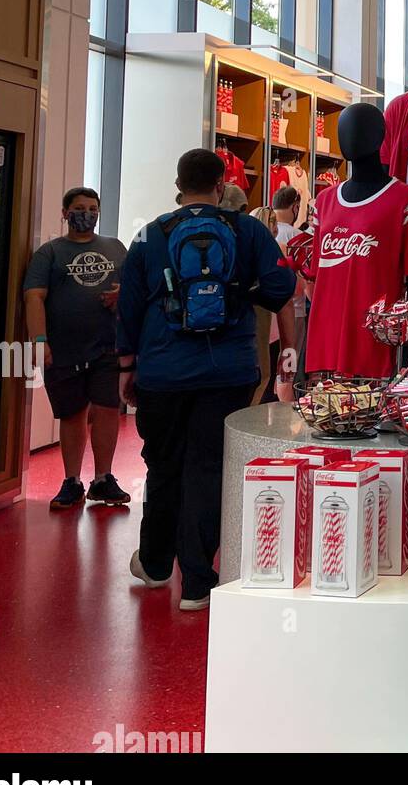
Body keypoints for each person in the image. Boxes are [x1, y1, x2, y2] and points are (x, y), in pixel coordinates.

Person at [116, 148, 298, 611]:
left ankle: (156, 565)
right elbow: (281, 289)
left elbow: (129, 307)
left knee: (163, 464)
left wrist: (126, 368)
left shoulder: (148, 235)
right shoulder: (248, 229)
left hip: (162, 370)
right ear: (221, 184)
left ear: (178, 185)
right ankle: (197, 582)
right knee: (208, 467)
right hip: (228, 370)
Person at [22, 187, 130, 510]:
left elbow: (135, 290)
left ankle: (103, 479)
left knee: (108, 410)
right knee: (72, 415)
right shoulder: (49, 253)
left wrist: (121, 295)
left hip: (107, 347)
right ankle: (72, 481)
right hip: (64, 350)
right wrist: (39, 341)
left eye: (93, 207)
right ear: (65, 213)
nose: (87, 213)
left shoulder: (115, 248)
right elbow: (34, 297)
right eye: (80, 208)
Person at [272, 185, 309, 369]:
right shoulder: (298, 238)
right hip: (294, 311)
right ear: (295, 207)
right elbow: (305, 281)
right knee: (288, 368)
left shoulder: (263, 230)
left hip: (269, 313)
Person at [250, 206, 281, 402]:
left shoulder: (248, 247)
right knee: (265, 375)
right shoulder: (273, 250)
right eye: (273, 222)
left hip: (264, 321)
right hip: (269, 319)